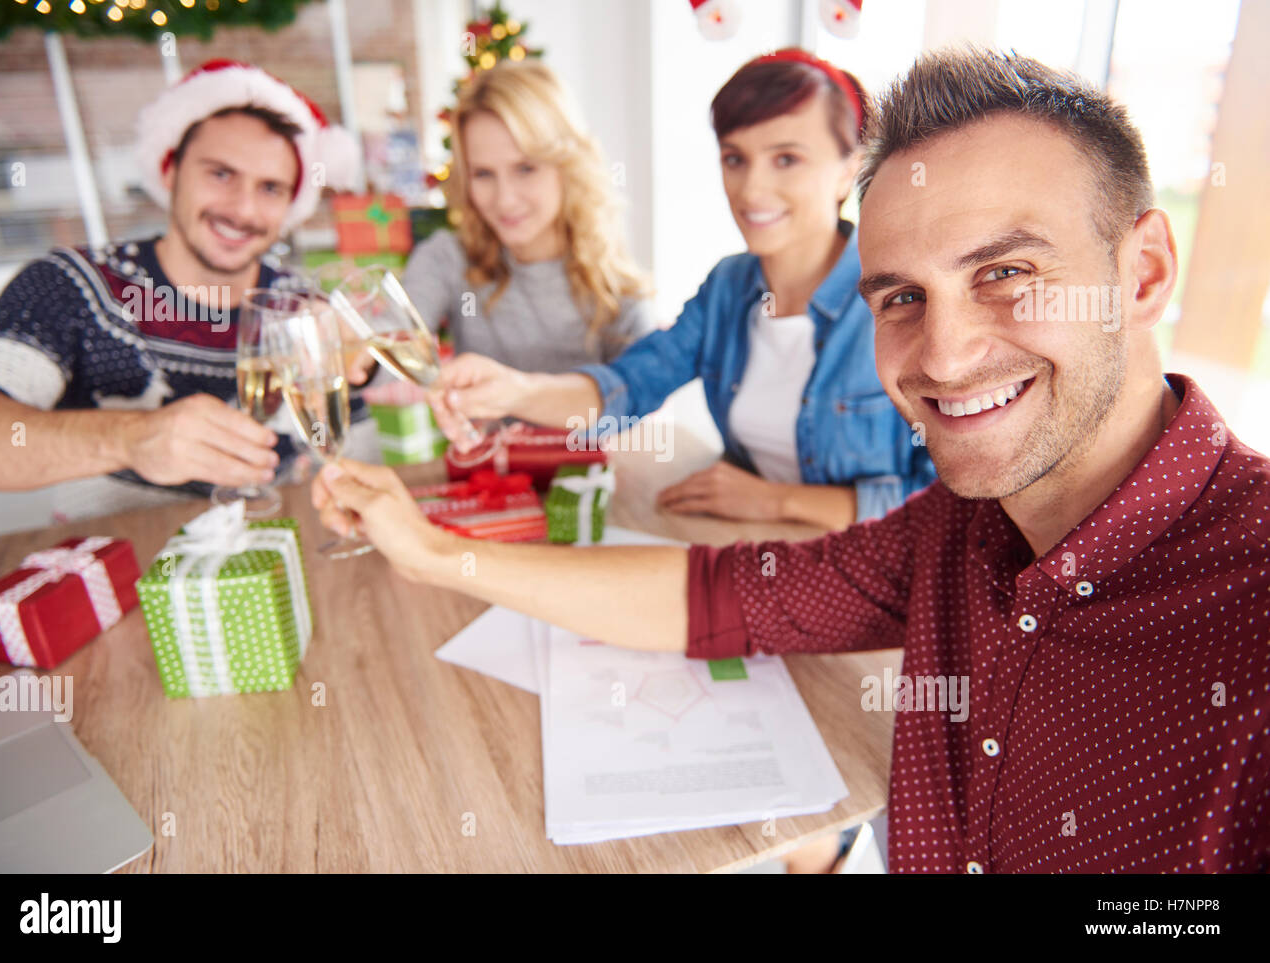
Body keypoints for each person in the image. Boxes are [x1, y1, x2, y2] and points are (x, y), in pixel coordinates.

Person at [311, 48, 1270, 873]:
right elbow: (713, 594)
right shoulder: (955, 527)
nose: (941, 354)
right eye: (899, 298)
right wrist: (434, 552)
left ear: (1140, 273)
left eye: (1007, 273)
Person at [429, 49, 936, 529]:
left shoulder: (900, 301)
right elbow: (625, 390)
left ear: (850, 168)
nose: (751, 189)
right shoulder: (728, 288)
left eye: (786, 159)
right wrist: (513, 391)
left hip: (875, 571)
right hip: (757, 552)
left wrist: (776, 501)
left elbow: (948, 502)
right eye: (735, 159)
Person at [0, 60, 374, 522]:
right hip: (121, 573)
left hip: (273, 560)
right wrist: (128, 438)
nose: (243, 209)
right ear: (169, 171)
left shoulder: (306, 311)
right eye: (220, 174)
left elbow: (354, 459)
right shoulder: (71, 285)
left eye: (270, 188)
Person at [400, 60, 653, 374]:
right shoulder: (448, 260)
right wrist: (361, 353)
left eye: (525, 168)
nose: (505, 200)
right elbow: (396, 334)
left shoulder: (616, 290)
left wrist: (520, 395)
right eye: (483, 174)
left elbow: (645, 406)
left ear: (567, 166)